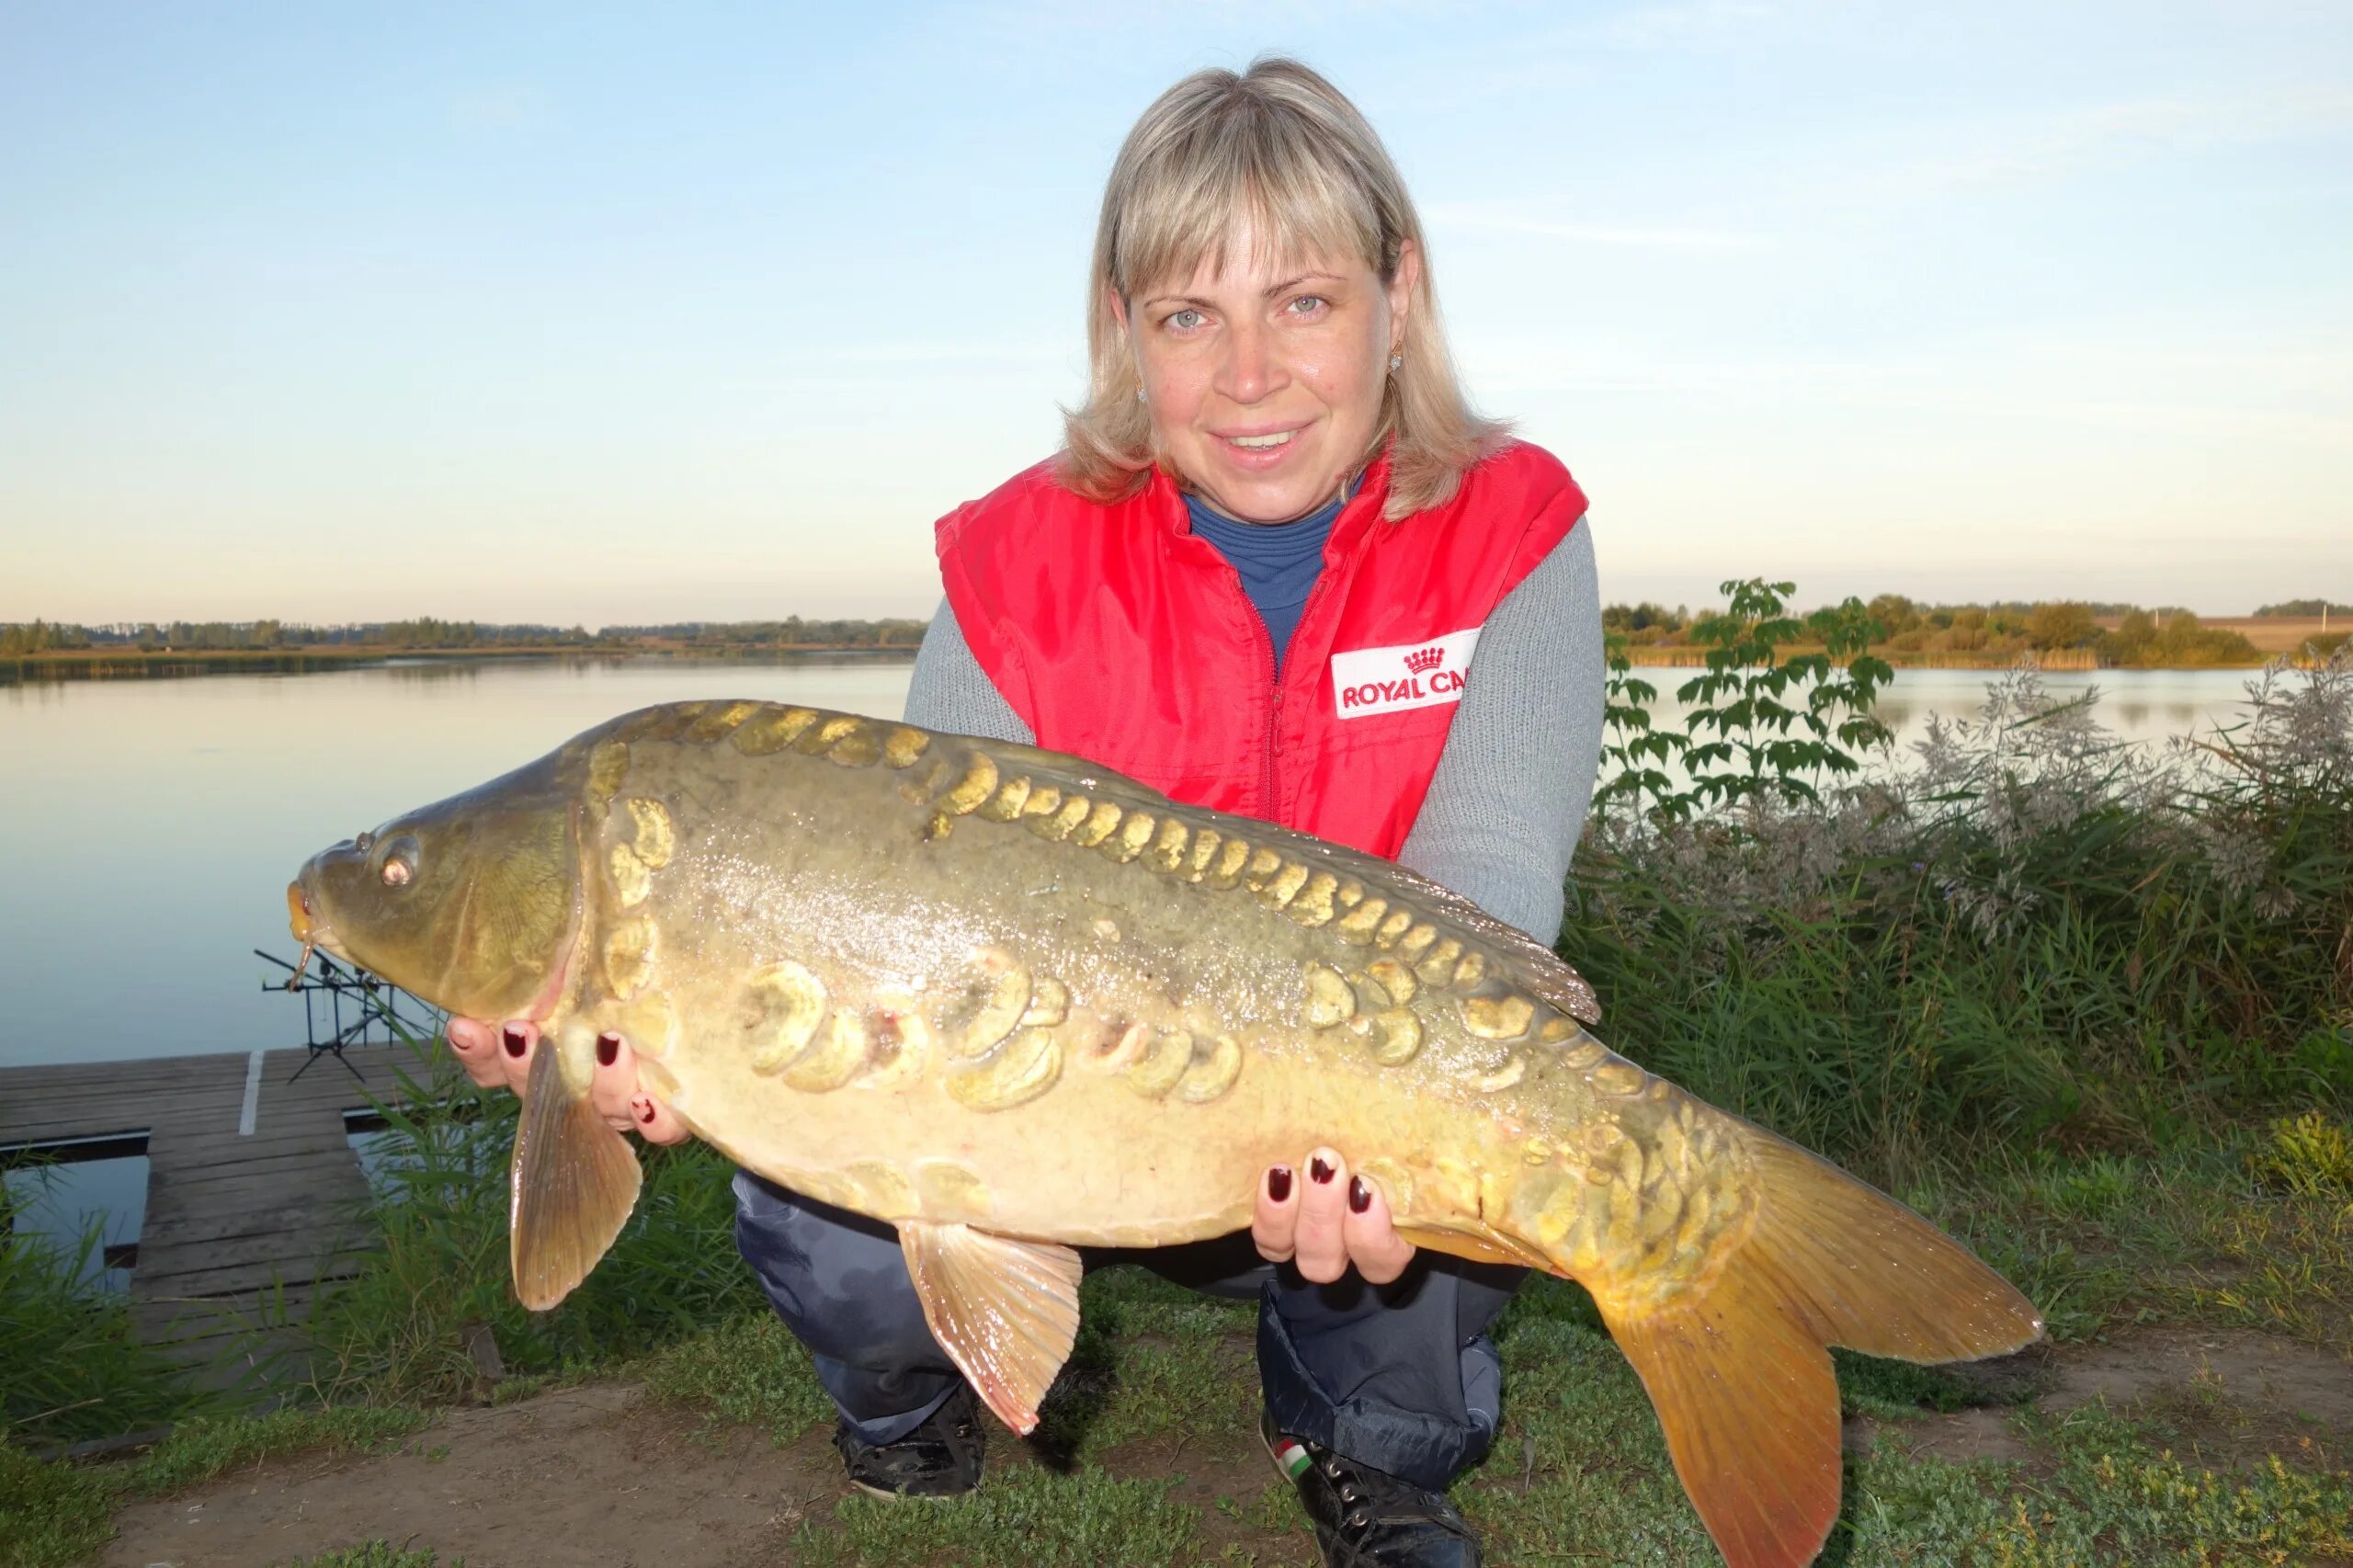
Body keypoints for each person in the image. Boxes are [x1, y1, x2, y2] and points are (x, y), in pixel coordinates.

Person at [446, 57, 1605, 1568]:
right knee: (821, 1181)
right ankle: (910, 1400)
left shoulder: (1513, 532)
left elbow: (1494, 902)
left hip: (1326, 1123)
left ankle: (1367, 1448)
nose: (1249, 373)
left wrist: (1413, 1142)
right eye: (1190, 316)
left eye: (1304, 301)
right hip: (1066, 1127)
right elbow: (920, 931)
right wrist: (705, 1068)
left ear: (1401, 294)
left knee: (1481, 1130)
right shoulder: (1016, 571)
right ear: (1124, 333)